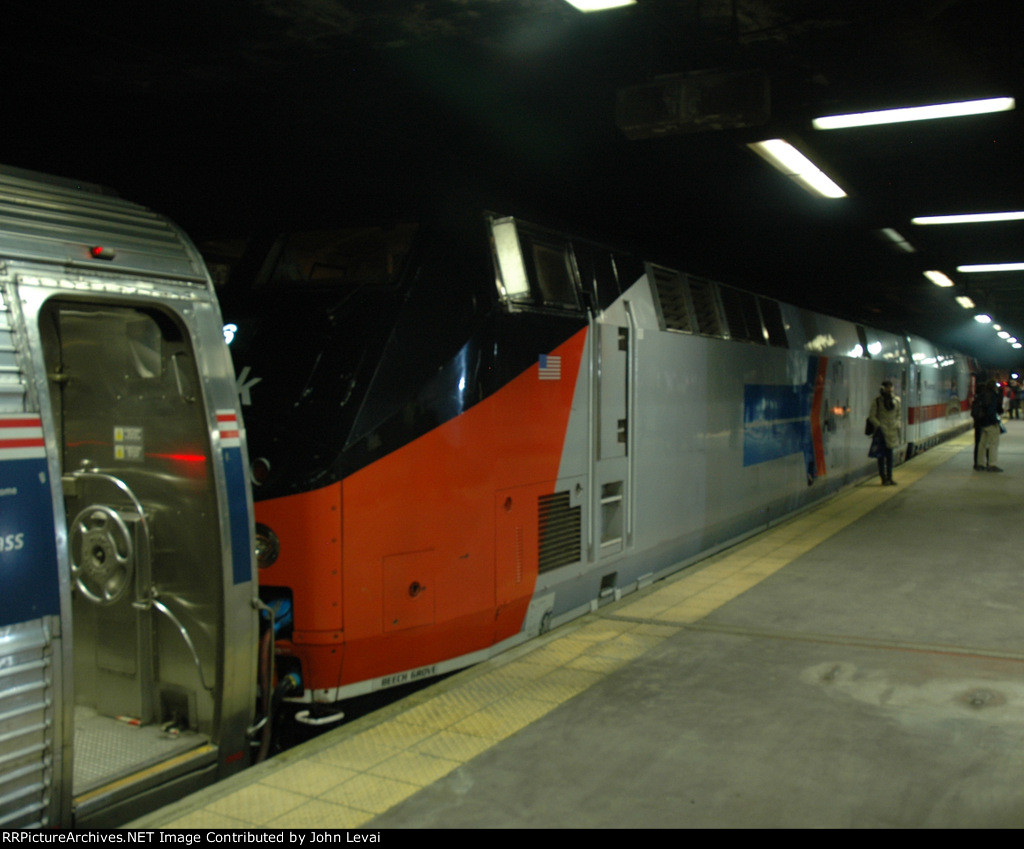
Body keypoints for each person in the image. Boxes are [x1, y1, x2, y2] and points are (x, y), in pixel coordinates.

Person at [868, 379, 901, 485]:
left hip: (892, 431)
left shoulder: (896, 401)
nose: (889, 389)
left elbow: (899, 415)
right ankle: (883, 478)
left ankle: (889, 477)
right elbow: (871, 416)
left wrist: (897, 424)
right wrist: (879, 426)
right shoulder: (877, 401)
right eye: (887, 387)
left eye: (890, 387)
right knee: (881, 456)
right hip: (881, 433)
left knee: (890, 456)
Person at [973, 379, 1004, 472]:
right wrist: (995, 422)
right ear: (994, 387)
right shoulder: (993, 396)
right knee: (993, 443)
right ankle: (992, 464)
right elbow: (991, 411)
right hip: (990, 423)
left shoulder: (981, 395)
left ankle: (980, 464)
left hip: (982, 423)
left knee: (982, 443)